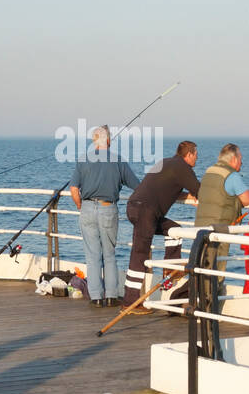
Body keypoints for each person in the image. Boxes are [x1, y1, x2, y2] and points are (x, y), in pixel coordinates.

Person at [120, 141, 201, 312]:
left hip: (134, 207)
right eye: (196, 155)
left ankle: (171, 269)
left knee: (174, 230)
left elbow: (167, 188)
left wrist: (187, 196)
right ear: (189, 154)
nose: (197, 159)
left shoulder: (165, 162)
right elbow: (199, 189)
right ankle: (130, 302)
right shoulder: (183, 167)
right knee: (139, 254)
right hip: (146, 212)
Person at [69, 125, 140, 306]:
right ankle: (110, 296)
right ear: (108, 141)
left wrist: (80, 206)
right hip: (108, 207)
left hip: (86, 208)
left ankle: (96, 297)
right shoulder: (118, 161)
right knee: (109, 254)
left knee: (92, 255)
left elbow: (74, 189)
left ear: (94, 141)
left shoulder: (83, 160)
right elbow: (137, 186)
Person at [192, 143, 249, 265]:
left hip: (200, 229)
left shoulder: (209, 172)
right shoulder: (231, 175)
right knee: (217, 268)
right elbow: (248, 200)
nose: (241, 163)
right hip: (219, 230)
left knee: (201, 265)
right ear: (234, 159)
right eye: (240, 159)